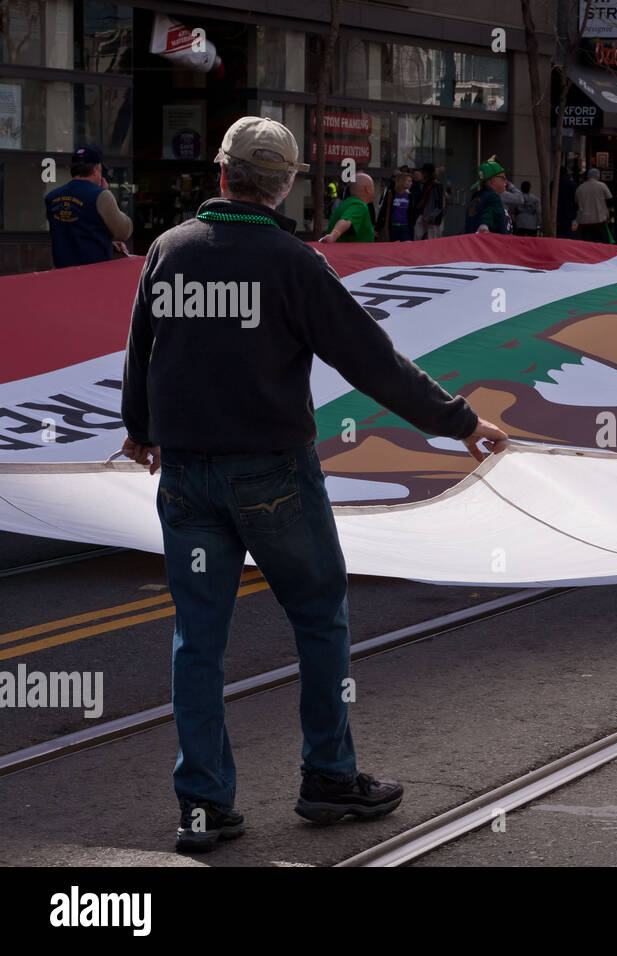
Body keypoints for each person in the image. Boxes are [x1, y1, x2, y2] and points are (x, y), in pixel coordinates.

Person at [118, 116, 509, 853]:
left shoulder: (167, 253)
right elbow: (370, 358)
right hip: (272, 472)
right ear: (286, 182)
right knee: (319, 618)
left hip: (187, 476)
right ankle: (328, 776)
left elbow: (142, 353)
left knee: (196, 641)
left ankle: (202, 806)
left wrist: (140, 429)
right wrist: (457, 420)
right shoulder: (291, 262)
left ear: (221, 172)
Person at [44, 145, 133, 267]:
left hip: (62, 273)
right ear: (96, 169)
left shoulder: (52, 197)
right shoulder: (101, 195)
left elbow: (72, 230)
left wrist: (107, 240)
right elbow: (124, 231)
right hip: (93, 274)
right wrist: (107, 194)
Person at [463, 157, 512, 235]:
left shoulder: (476, 196)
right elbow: (489, 212)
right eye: (503, 178)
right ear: (492, 181)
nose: (505, 181)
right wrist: (484, 225)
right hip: (491, 244)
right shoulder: (493, 197)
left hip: (472, 242)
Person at [320, 173, 375, 243]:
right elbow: (346, 220)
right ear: (368, 189)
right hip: (350, 252)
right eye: (373, 187)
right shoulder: (359, 205)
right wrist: (333, 236)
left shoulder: (346, 203)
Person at [575, 167, 612, 243]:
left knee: (587, 244)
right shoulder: (602, 186)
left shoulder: (580, 188)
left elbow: (576, 203)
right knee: (600, 243)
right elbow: (610, 200)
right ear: (597, 176)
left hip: (584, 221)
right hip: (599, 219)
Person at [413, 164, 446, 240]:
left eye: (423, 172)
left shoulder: (437, 186)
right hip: (423, 214)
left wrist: (430, 217)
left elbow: (440, 205)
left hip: (432, 218)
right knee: (417, 234)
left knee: (432, 240)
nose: (422, 174)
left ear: (427, 173)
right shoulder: (426, 184)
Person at [384, 172, 413, 241]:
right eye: (409, 181)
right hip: (393, 227)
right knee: (394, 249)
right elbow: (384, 209)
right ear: (402, 181)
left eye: (411, 181)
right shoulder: (391, 193)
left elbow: (412, 212)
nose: (411, 183)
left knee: (406, 248)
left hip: (405, 227)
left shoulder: (410, 196)